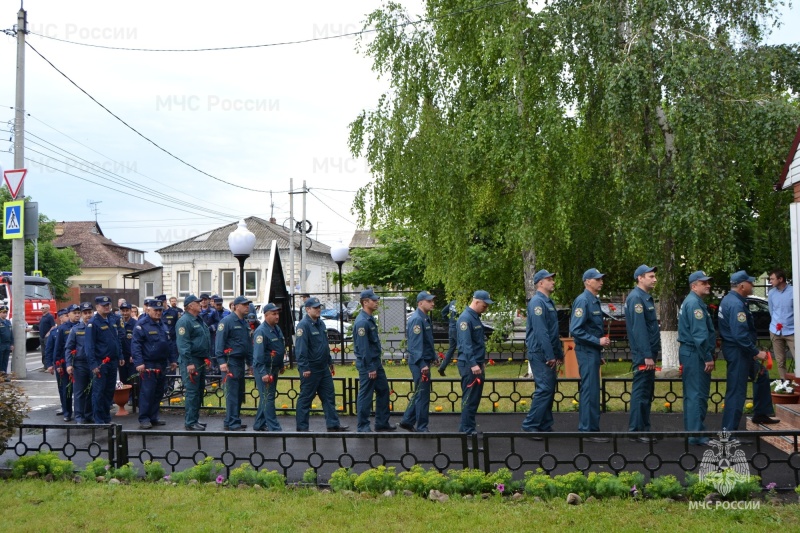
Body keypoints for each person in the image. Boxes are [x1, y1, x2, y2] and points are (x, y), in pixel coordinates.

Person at [720, 271, 777, 434]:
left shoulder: (731, 299)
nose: (752, 285)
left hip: (741, 350)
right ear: (742, 285)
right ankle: (729, 432)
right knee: (737, 391)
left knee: (762, 374)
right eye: (750, 283)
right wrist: (755, 351)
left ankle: (760, 413)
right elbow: (739, 335)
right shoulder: (736, 304)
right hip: (739, 352)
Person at [569, 268, 611, 442]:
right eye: (597, 279)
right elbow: (576, 330)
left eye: (601, 279)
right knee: (589, 390)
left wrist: (598, 349)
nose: (601, 282)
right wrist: (597, 342)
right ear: (587, 281)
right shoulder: (583, 300)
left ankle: (592, 428)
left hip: (591, 351)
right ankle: (587, 430)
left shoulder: (593, 300)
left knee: (593, 390)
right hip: (586, 351)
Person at [294, 296, 348, 432]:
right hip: (310, 369)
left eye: (319, 307)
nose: (318, 310)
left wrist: (330, 361)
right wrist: (304, 367)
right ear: (307, 309)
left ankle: (333, 424)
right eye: (315, 308)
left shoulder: (321, 323)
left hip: (323, 368)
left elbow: (324, 344)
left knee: (329, 396)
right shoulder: (303, 325)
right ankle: (302, 427)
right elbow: (301, 349)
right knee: (306, 398)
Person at [521, 270, 563, 438]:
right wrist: (549, 355)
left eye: (552, 279)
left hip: (546, 351)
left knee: (548, 388)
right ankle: (530, 424)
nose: (552, 282)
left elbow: (553, 332)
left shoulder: (547, 301)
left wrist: (558, 353)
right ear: (540, 283)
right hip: (540, 352)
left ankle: (544, 424)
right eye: (549, 279)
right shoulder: (537, 302)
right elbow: (541, 332)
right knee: (545, 388)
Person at [678, 271, 717, 445]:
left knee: (693, 394)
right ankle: (696, 434)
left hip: (691, 352)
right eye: (704, 283)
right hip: (695, 354)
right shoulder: (694, 304)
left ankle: (694, 430)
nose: (708, 285)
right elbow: (699, 334)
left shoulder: (693, 301)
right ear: (694, 286)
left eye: (708, 282)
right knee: (697, 394)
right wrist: (708, 357)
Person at [626, 265, 661, 442]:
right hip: (643, 354)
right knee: (640, 391)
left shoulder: (644, 297)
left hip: (648, 352)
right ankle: (636, 431)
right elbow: (639, 329)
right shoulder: (636, 298)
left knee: (647, 391)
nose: (654, 279)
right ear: (640, 278)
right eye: (651, 276)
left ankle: (644, 428)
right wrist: (647, 354)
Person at [354, 289, 396, 433]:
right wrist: (371, 367)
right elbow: (364, 348)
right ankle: (363, 426)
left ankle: (382, 423)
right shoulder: (362, 322)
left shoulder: (369, 319)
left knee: (383, 390)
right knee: (366, 395)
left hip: (375, 363)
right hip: (368, 364)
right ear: (365, 302)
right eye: (373, 300)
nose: (376, 302)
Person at [132, 299, 177, 429]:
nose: (158, 312)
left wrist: (173, 360)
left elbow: (169, 343)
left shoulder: (162, 324)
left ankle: (153, 417)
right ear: (148, 310)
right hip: (148, 364)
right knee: (147, 392)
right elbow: (136, 345)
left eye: (160, 310)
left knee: (158, 392)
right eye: (155, 310)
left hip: (162, 363)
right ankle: (144, 418)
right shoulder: (142, 325)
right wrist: (139, 363)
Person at [399, 291, 437, 433]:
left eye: (433, 301)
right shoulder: (417, 319)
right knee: (422, 395)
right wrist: (422, 364)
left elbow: (427, 341)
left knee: (420, 392)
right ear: (420, 303)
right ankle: (422, 427)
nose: (432, 303)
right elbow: (415, 346)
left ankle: (407, 421)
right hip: (419, 363)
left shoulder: (425, 318)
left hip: (424, 360)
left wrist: (433, 356)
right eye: (429, 301)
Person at [215, 295, 254, 431]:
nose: (247, 307)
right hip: (230, 361)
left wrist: (251, 363)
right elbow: (219, 343)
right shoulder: (226, 322)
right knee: (232, 393)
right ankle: (232, 422)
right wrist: (221, 361)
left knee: (238, 393)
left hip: (240, 361)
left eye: (247, 304)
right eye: (244, 305)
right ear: (236, 306)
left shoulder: (244, 322)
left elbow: (248, 344)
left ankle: (232, 419)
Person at [457, 290, 493, 435]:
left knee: (474, 399)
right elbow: (466, 345)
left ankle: (468, 427)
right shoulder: (465, 319)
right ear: (476, 302)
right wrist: (473, 364)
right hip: (469, 365)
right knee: (470, 398)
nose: (486, 309)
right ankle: (466, 430)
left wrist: (480, 362)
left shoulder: (474, 317)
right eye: (484, 306)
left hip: (475, 364)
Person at [85, 296, 124, 425]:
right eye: (103, 305)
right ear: (97, 307)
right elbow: (89, 346)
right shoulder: (93, 323)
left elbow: (116, 340)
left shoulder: (112, 320)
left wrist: (120, 356)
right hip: (100, 363)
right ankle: (99, 419)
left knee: (109, 391)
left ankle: (106, 417)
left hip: (112, 362)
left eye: (108, 304)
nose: (106, 307)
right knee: (98, 392)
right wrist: (93, 364)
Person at [175, 294, 211, 431]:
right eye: (197, 303)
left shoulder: (198, 319)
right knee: (192, 392)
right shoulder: (184, 321)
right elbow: (183, 344)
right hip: (191, 360)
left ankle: (194, 418)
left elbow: (204, 340)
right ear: (190, 306)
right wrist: (189, 362)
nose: (201, 304)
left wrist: (207, 358)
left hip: (200, 359)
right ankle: (190, 422)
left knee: (199, 391)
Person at [252, 303, 285, 432]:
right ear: (266, 315)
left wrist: (281, 364)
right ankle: (274, 426)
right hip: (265, 369)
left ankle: (259, 424)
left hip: (274, 367)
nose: (277, 316)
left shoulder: (276, 328)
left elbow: (279, 347)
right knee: (268, 397)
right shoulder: (261, 331)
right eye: (274, 314)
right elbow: (258, 355)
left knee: (266, 396)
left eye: (277, 314)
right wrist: (263, 372)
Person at [65, 302, 95, 423]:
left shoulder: (96, 327)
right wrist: (68, 364)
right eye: (85, 313)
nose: (88, 315)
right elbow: (68, 347)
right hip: (80, 364)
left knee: (92, 390)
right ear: (82, 314)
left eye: (90, 312)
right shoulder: (76, 329)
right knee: (79, 392)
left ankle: (89, 414)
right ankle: (79, 416)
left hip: (93, 364)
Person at [52, 304, 80, 422]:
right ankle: (67, 412)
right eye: (75, 313)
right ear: (68, 314)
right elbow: (58, 348)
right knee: (66, 389)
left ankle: (81, 412)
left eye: (79, 312)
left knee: (80, 389)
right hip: (65, 363)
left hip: (79, 362)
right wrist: (58, 364)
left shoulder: (82, 326)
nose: (77, 315)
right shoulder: (63, 328)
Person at [768, 268, 794, 379]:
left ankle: (797, 384)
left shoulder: (794, 291)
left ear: (781, 279)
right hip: (775, 331)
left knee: (798, 358)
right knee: (780, 361)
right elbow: (771, 310)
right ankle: (785, 384)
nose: (770, 281)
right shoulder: (771, 293)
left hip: (792, 331)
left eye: (772, 279)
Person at [438, 300, 458, 377]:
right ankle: (466, 368)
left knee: (451, 349)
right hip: (458, 329)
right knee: (463, 348)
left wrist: (449, 321)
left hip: (451, 328)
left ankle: (442, 367)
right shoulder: (463, 304)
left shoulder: (452, 302)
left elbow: (443, 312)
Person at [118, 303, 137, 386]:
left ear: (130, 311)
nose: (125, 313)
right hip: (121, 356)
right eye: (123, 311)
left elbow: (137, 341)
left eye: (127, 311)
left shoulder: (135, 324)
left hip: (131, 357)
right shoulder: (117, 323)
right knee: (123, 380)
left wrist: (133, 354)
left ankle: (133, 398)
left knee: (133, 380)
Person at [38, 304, 55, 369]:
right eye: (41, 308)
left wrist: (48, 333)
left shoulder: (50, 316)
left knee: (48, 351)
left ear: (47, 308)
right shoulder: (43, 317)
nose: (41, 309)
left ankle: (49, 366)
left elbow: (53, 326)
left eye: (43, 308)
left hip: (47, 337)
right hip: (41, 336)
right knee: (43, 352)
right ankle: (45, 366)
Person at [0, 306, 12, 374]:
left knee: (5, 360)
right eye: (3, 312)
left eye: (6, 313)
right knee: (0, 360)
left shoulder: (8, 322)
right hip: (1, 344)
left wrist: (12, 343)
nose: (5, 314)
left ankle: (4, 374)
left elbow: (11, 333)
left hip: (7, 344)